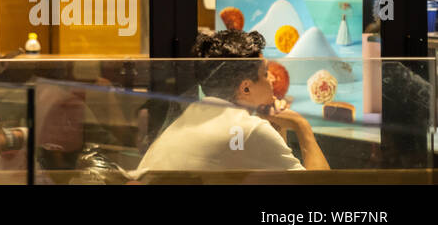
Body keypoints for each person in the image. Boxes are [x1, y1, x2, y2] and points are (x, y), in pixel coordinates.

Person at [126, 29, 329, 178]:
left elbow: (277, 177)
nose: (272, 81)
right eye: (265, 73)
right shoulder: (249, 130)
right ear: (246, 88)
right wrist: (303, 127)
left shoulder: (195, 113)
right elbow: (321, 187)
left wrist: (276, 124)